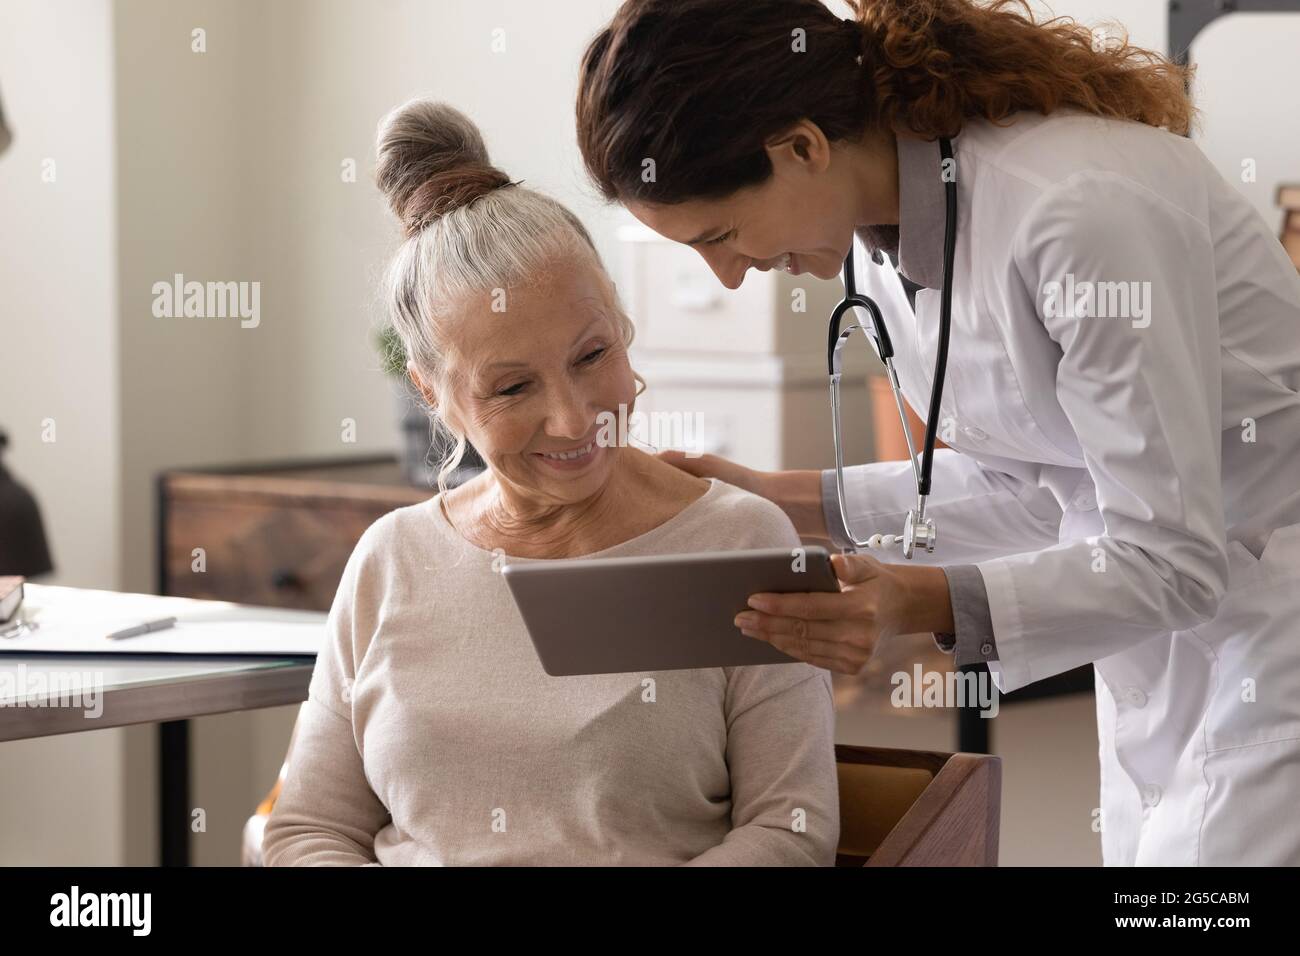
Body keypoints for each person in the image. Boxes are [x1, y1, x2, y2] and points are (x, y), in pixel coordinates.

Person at [575, 0, 1300, 865]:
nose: (727, 276)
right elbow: (1034, 485)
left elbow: (1174, 557)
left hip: (1270, 622)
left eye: (722, 236)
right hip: (1161, 649)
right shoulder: (885, 246)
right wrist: (766, 496)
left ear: (802, 146)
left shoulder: (1077, 211)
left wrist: (914, 603)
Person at [262, 98, 839, 866]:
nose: (573, 421)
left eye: (592, 355)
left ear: (623, 324)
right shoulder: (390, 560)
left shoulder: (737, 543)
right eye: (510, 389)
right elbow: (307, 831)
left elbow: (790, 832)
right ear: (431, 392)